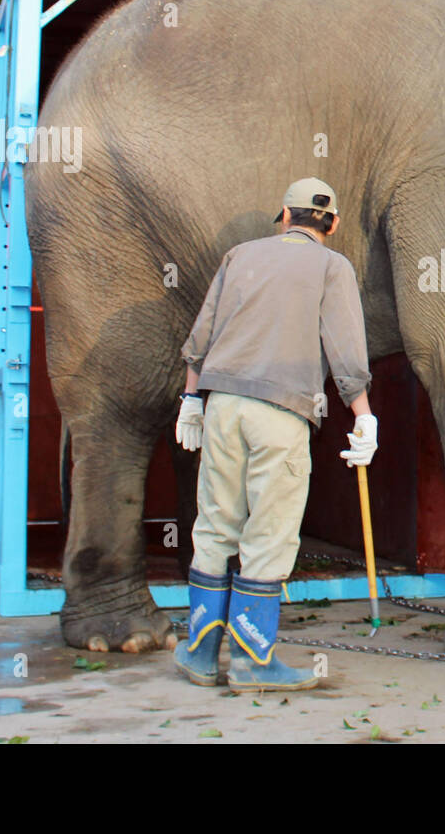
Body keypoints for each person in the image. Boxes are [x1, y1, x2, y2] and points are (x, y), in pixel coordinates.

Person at [173, 178, 377, 690]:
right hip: (282, 412)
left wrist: (190, 402)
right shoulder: (333, 266)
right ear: (330, 224)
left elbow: (201, 336)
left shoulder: (238, 256)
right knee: (270, 532)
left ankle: (200, 653)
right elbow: (345, 349)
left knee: (216, 524)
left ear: (284, 216)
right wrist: (363, 414)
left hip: (222, 406)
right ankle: (252, 662)